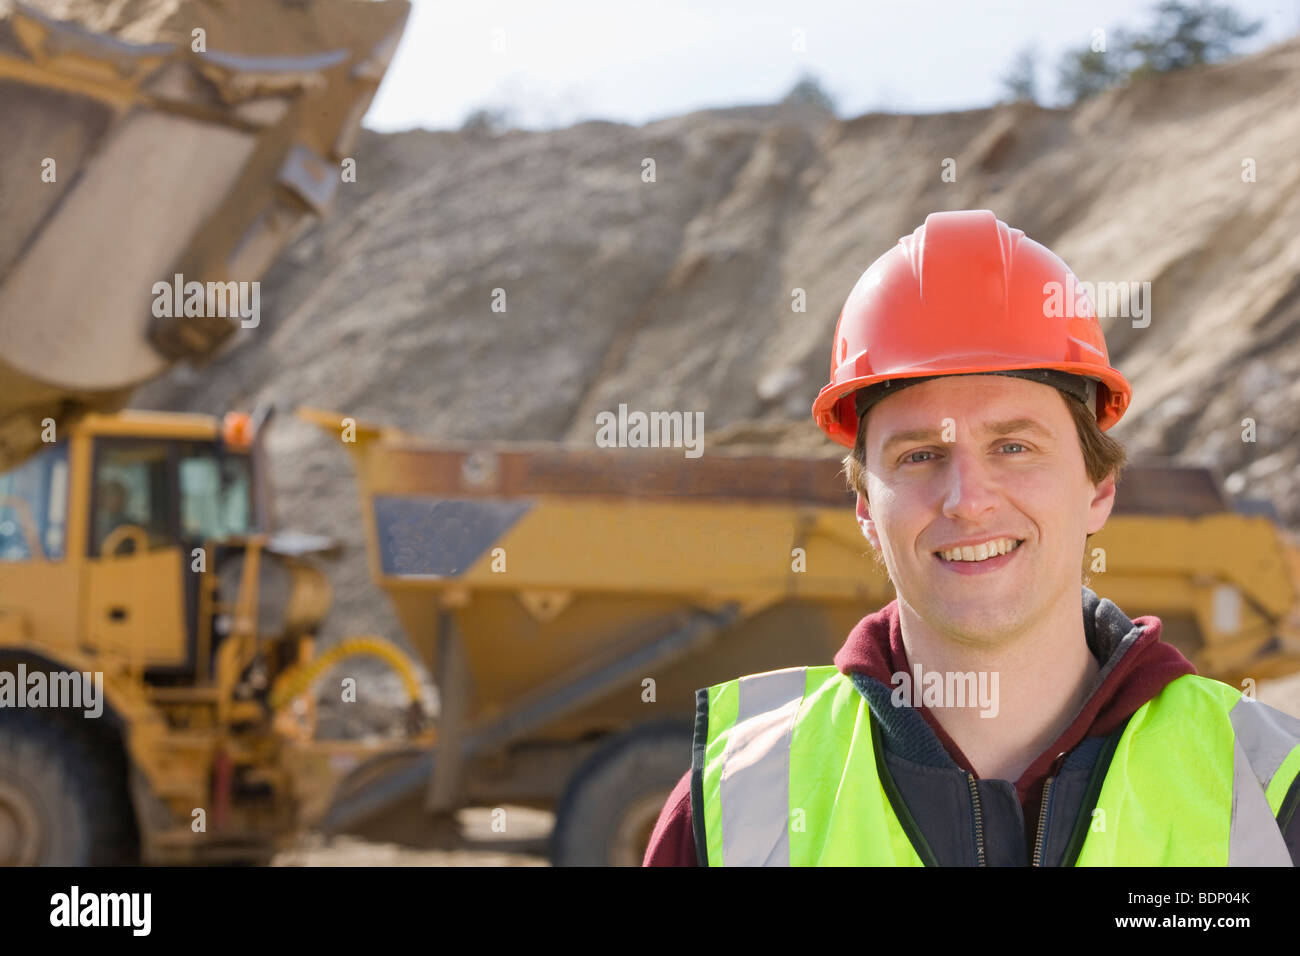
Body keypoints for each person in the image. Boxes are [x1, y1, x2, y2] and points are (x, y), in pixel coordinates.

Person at [644, 209, 1300, 866]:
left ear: (1099, 491)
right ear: (867, 509)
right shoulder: (731, 809)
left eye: (1013, 446)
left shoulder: (1274, 795)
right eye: (920, 455)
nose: (968, 501)